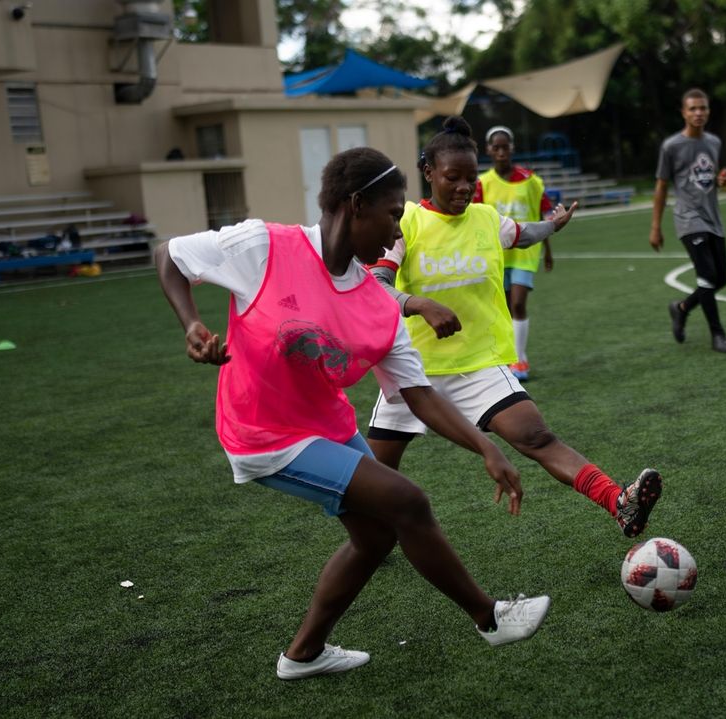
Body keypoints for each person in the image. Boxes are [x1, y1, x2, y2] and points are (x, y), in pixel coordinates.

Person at [155, 146, 551, 681]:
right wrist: (191, 324)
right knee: (407, 501)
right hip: (261, 434)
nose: (397, 230)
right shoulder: (265, 245)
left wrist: (486, 446)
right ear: (356, 204)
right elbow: (170, 255)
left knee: (378, 535)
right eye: (393, 214)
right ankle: (491, 618)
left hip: (327, 427)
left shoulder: (378, 303)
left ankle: (303, 654)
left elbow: (420, 394)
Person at [367, 116, 662, 538]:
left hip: (478, 365)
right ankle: (369, 539)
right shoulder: (407, 222)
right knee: (375, 474)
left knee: (536, 437)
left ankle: (619, 502)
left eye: (471, 178)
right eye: (452, 178)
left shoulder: (487, 219)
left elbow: (523, 234)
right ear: (428, 172)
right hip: (413, 372)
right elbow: (376, 283)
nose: (464, 187)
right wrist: (419, 304)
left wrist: (553, 225)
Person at [650, 88, 726, 353]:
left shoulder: (714, 142)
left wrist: (721, 182)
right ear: (683, 113)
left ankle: (682, 308)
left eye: (703, 108)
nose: (698, 113)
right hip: (688, 219)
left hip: (713, 218)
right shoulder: (671, 146)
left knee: (722, 277)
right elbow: (661, 186)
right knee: (707, 275)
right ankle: (718, 335)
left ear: (708, 111)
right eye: (693, 109)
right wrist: (656, 227)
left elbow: (709, 179)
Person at [473, 125, 555, 382]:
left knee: (518, 303)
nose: (501, 152)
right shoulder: (482, 183)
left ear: (512, 148)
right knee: (506, 307)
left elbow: (543, 216)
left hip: (525, 252)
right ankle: (508, 357)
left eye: (505, 147)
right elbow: (474, 219)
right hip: (496, 254)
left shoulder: (531, 181)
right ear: (488, 150)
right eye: (496, 148)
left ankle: (520, 358)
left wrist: (548, 250)